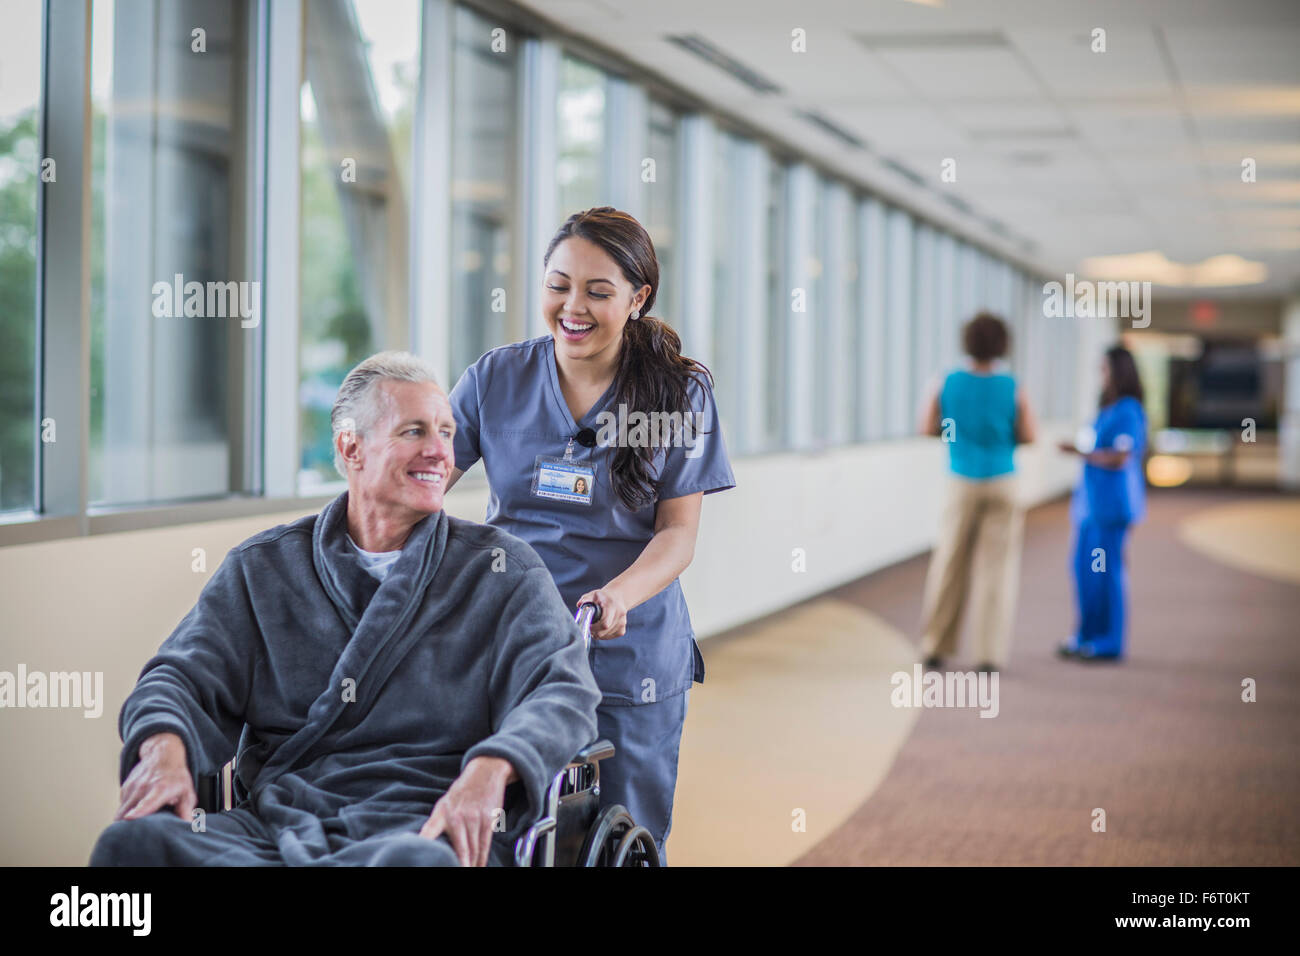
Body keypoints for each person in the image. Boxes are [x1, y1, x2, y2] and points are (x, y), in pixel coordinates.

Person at [90, 352, 601, 867]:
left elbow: (563, 689)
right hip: (279, 817)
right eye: (414, 432)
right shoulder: (263, 567)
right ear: (350, 446)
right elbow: (180, 677)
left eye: (445, 432)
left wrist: (491, 767)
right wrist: (163, 748)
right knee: (130, 846)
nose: (440, 453)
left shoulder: (502, 571)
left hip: (425, 820)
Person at [446, 207, 736, 861]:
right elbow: (423, 476)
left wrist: (618, 597)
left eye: (598, 292)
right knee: (511, 835)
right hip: (515, 648)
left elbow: (677, 535)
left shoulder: (678, 394)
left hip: (624, 658)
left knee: (617, 841)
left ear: (638, 298)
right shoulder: (497, 379)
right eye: (558, 285)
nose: (572, 307)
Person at [916, 312, 1037, 673]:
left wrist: (957, 435)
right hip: (1003, 481)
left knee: (950, 562)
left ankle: (935, 645)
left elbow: (927, 427)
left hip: (961, 479)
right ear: (1003, 345)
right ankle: (988, 655)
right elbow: (1030, 435)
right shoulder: (1014, 386)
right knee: (995, 570)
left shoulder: (946, 382)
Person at [1057, 346, 1147, 662]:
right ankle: (1086, 635)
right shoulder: (1106, 409)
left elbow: (1121, 457)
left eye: (1106, 369)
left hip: (1112, 508)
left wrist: (1080, 453)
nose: (1102, 376)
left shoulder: (1128, 411)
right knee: (1083, 570)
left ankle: (1110, 641)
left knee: (1105, 572)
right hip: (1090, 507)